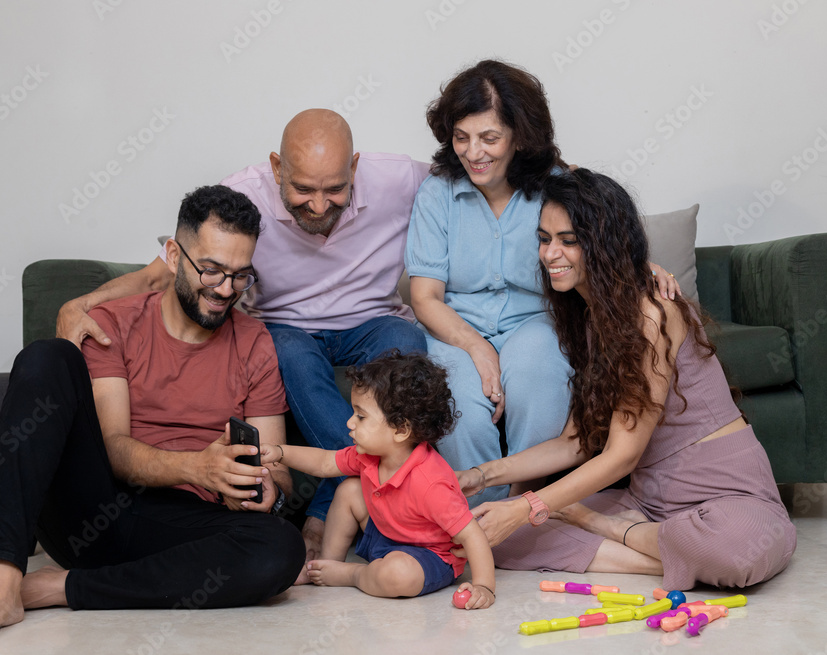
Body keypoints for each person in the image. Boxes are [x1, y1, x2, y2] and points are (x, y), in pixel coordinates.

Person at [55, 110, 429, 566]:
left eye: (335, 189)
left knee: (407, 342)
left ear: (354, 169)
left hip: (371, 321)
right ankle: (386, 501)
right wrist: (82, 303)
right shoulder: (240, 197)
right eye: (303, 190)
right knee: (288, 351)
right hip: (287, 328)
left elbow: (480, 172)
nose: (318, 206)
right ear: (276, 169)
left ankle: (339, 505)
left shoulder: (399, 177)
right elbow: (160, 276)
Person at [0, 186, 305, 645]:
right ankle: (0, 580)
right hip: (96, 505)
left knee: (280, 548)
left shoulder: (254, 342)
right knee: (45, 358)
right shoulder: (114, 324)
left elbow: (279, 467)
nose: (225, 290)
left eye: (240, 275)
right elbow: (113, 449)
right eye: (210, 270)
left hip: (183, 528)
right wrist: (197, 466)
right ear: (173, 256)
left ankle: (62, 587)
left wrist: (267, 489)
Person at [457, 168, 796, 590]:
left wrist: (537, 507)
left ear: (602, 243)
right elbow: (574, 443)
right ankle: (674, 556)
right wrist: (483, 475)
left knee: (739, 552)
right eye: (544, 239)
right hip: (648, 503)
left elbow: (621, 456)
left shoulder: (652, 312)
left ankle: (623, 534)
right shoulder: (588, 318)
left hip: (724, 496)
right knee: (499, 543)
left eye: (568, 241)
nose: (550, 254)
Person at [406, 60, 680, 506]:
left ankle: (518, 506)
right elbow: (425, 297)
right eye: (462, 137)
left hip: (535, 321)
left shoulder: (555, 183)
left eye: (490, 138)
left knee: (540, 372)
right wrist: (477, 348)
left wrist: (642, 265)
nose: (474, 152)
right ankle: (472, 516)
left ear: (519, 135)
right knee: (458, 401)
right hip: (454, 328)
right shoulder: (437, 193)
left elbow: (599, 235)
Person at [258, 351, 496, 608]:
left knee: (397, 576)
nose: (349, 423)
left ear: (401, 429)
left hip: (426, 557)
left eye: (360, 416)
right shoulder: (369, 455)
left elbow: (473, 535)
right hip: (386, 534)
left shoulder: (431, 483)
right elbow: (325, 463)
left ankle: (351, 574)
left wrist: (484, 585)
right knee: (350, 489)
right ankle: (325, 566)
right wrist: (281, 452)